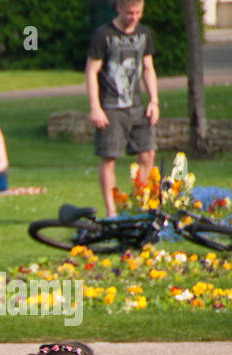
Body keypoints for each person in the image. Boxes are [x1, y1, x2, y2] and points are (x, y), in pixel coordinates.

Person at [87, 0, 158, 218]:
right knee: (109, 158)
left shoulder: (144, 34)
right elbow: (91, 71)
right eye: (130, 13)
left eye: (138, 13)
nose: (134, 18)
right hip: (111, 107)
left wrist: (154, 101)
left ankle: (140, 205)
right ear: (118, 8)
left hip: (137, 106)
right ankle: (111, 211)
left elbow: (148, 68)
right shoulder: (103, 35)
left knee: (147, 154)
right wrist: (95, 107)